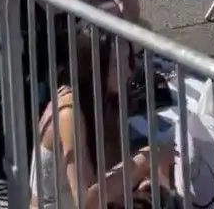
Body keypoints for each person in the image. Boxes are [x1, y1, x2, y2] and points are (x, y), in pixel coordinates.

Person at [31, 30, 169, 209]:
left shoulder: (105, 100)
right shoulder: (69, 114)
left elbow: (110, 169)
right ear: (93, 68)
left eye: (128, 61)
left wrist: (140, 186)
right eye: (116, 65)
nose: (128, 72)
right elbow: (86, 201)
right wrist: (142, 161)